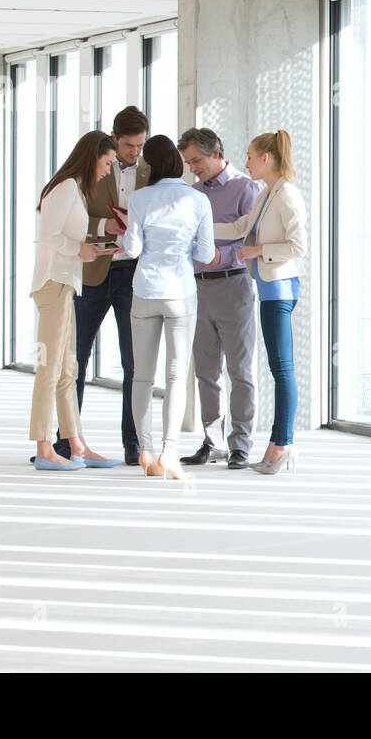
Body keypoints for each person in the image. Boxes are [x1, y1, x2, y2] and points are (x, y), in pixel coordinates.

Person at [55, 106, 151, 466]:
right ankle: (67, 442)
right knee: (75, 360)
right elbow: (72, 216)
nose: (134, 153)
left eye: (139, 146)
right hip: (92, 272)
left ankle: (133, 443)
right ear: (114, 137)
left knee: (134, 363)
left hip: (132, 275)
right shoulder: (92, 169)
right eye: (128, 145)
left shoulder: (149, 171)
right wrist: (103, 227)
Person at [121, 135, 218, 480]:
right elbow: (206, 255)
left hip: (145, 290)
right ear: (178, 162)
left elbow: (132, 250)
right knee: (176, 376)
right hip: (180, 292)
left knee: (141, 376)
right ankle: (170, 454)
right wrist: (184, 248)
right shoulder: (197, 199)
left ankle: (146, 452)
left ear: (148, 165)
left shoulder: (140, 197)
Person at [213, 130, 307, 475]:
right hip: (269, 288)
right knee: (278, 369)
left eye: (251, 156)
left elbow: (299, 247)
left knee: (283, 370)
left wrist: (258, 251)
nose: (247, 162)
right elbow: (240, 226)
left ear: (266, 158)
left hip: (280, 288)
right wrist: (201, 227)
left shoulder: (286, 195)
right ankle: (276, 446)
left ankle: (282, 444)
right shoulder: (267, 194)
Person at [29, 132, 123, 471]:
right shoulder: (67, 186)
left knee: (69, 369)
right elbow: (47, 235)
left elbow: (65, 236)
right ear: (92, 156)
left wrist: (91, 247)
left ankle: (76, 443)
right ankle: (44, 447)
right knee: (50, 369)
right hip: (53, 284)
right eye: (108, 163)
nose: (108, 170)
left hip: (66, 284)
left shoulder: (76, 191)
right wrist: (79, 249)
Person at [177, 128, 261, 470]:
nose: (193, 168)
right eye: (188, 162)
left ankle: (240, 443)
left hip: (234, 286)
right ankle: (213, 443)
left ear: (216, 153)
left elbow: (250, 239)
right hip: (198, 289)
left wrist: (219, 257)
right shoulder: (192, 193)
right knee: (206, 372)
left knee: (240, 371)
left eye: (197, 160)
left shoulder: (246, 187)